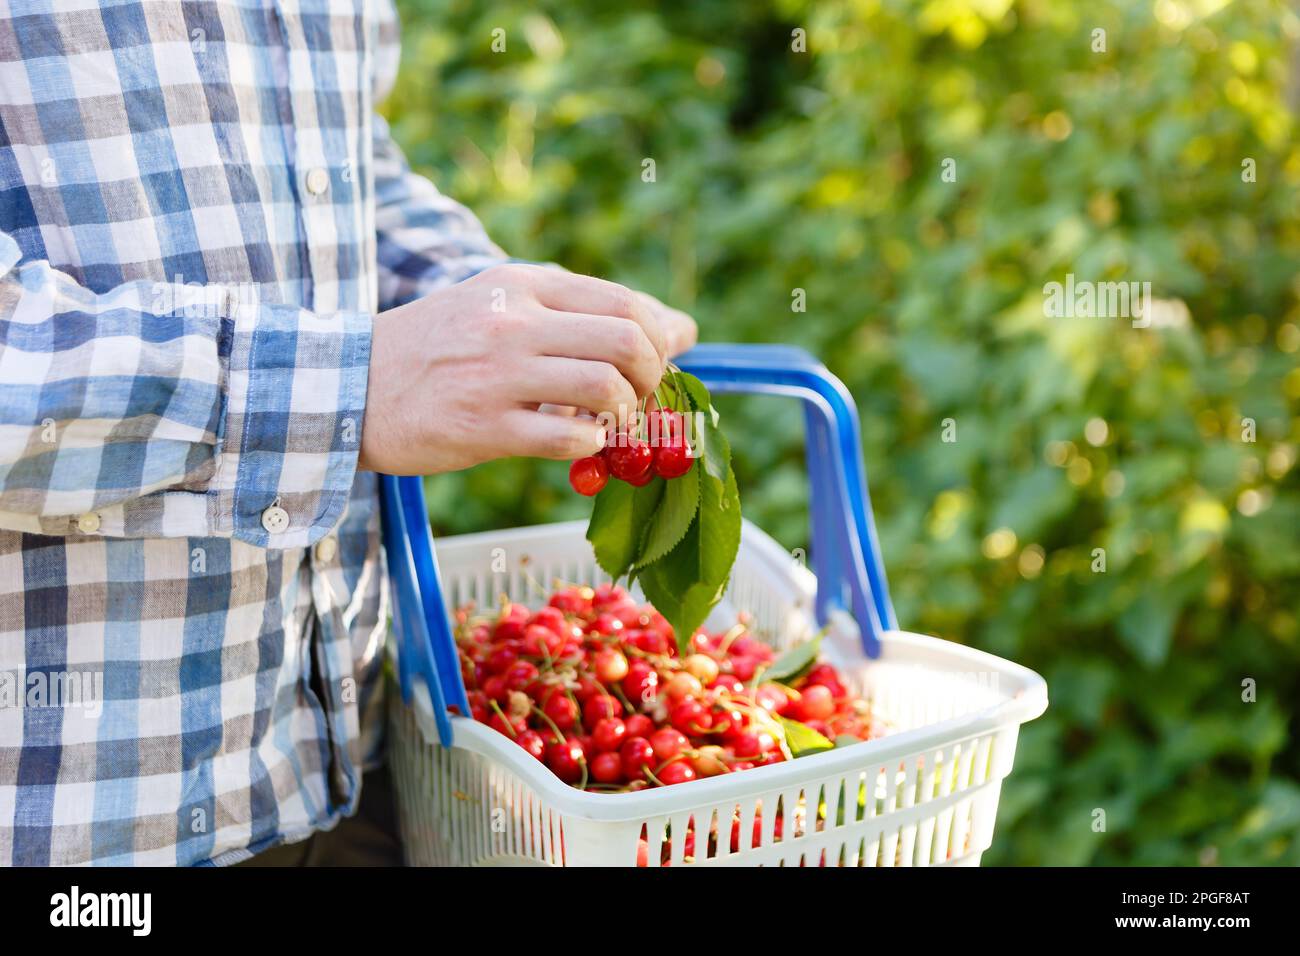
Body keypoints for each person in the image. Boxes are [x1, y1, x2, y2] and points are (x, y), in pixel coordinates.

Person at [0, 1, 695, 866]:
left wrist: (489, 305)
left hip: (352, 760)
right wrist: (354, 383)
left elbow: (345, 161)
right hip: (84, 832)